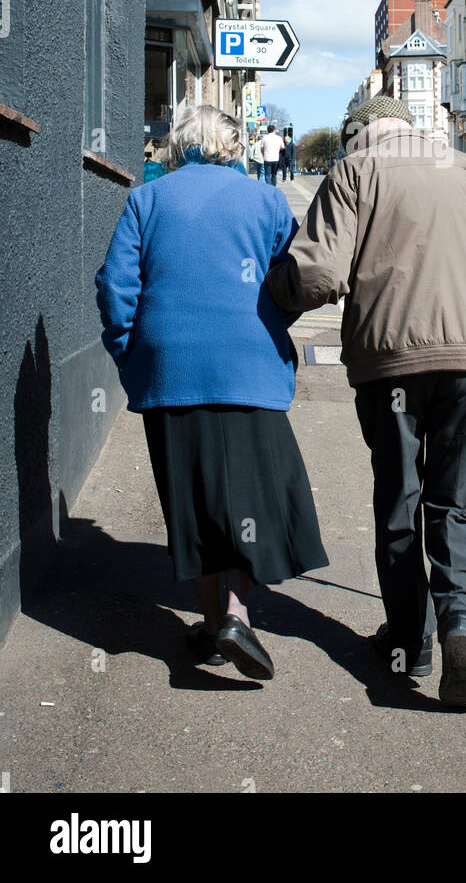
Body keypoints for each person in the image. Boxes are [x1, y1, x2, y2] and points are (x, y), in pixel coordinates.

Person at [267, 93, 466, 708]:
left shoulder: (354, 172)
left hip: (388, 364)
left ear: (364, 134)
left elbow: (317, 275)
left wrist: (272, 298)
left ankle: (410, 640)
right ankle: (460, 626)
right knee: (458, 501)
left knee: (400, 500)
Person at [96, 104, 328, 679]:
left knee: (191, 499)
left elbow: (115, 287)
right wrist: (271, 330)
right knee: (249, 500)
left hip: (170, 369)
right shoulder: (268, 201)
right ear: (232, 145)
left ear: (180, 145)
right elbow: (296, 280)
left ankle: (208, 623)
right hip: (249, 368)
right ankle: (234, 614)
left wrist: (133, 353)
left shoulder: (148, 199)